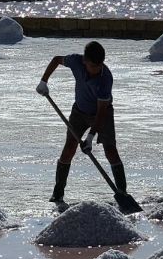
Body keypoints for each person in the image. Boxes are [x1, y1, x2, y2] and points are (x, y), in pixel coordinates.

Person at [35, 40, 126, 204]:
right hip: (79, 112)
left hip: (102, 113)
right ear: (85, 61)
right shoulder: (76, 61)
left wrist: (90, 137)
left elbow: (101, 112)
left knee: (110, 150)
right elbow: (56, 59)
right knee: (69, 147)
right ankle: (58, 192)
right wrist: (44, 81)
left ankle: (123, 193)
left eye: (99, 66)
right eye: (93, 66)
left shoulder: (105, 79)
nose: (96, 70)